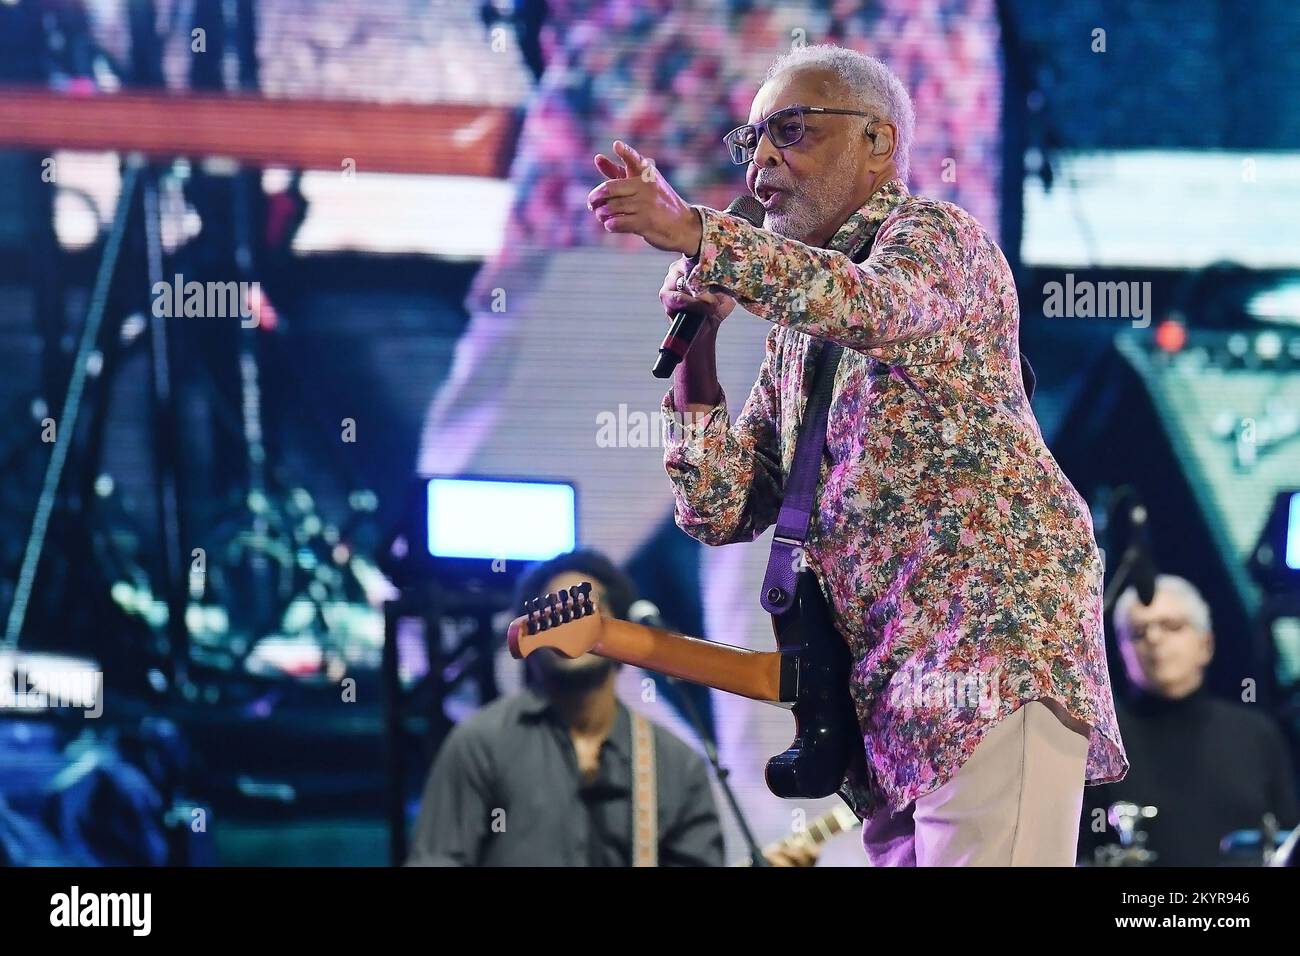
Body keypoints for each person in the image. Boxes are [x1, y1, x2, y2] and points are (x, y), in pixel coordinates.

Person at [586, 44, 1128, 866]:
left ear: (879, 142)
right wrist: (701, 349)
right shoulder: (798, 329)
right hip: (887, 687)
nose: (764, 158)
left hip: (986, 651)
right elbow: (722, 508)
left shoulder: (939, 239)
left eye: (793, 131)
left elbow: (873, 305)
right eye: (754, 140)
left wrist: (697, 230)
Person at [407, 548, 816, 866]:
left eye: (585, 609)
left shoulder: (672, 763)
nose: (568, 622)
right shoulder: (480, 745)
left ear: (620, 634)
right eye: (553, 611)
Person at [1081, 575, 1299, 866]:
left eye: (1171, 626)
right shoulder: (1099, 743)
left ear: (1206, 644)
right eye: (1138, 631)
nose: (1154, 639)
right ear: (1120, 651)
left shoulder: (1257, 735)